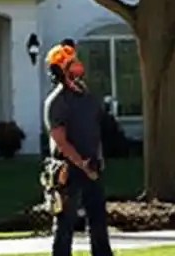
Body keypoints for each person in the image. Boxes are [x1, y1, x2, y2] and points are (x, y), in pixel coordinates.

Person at [42, 40, 114, 256]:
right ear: (63, 69)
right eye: (73, 62)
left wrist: (96, 160)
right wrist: (81, 164)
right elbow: (60, 141)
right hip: (68, 170)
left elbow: (95, 128)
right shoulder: (56, 102)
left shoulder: (87, 96)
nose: (79, 65)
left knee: (98, 220)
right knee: (65, 224)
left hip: (92, 165)